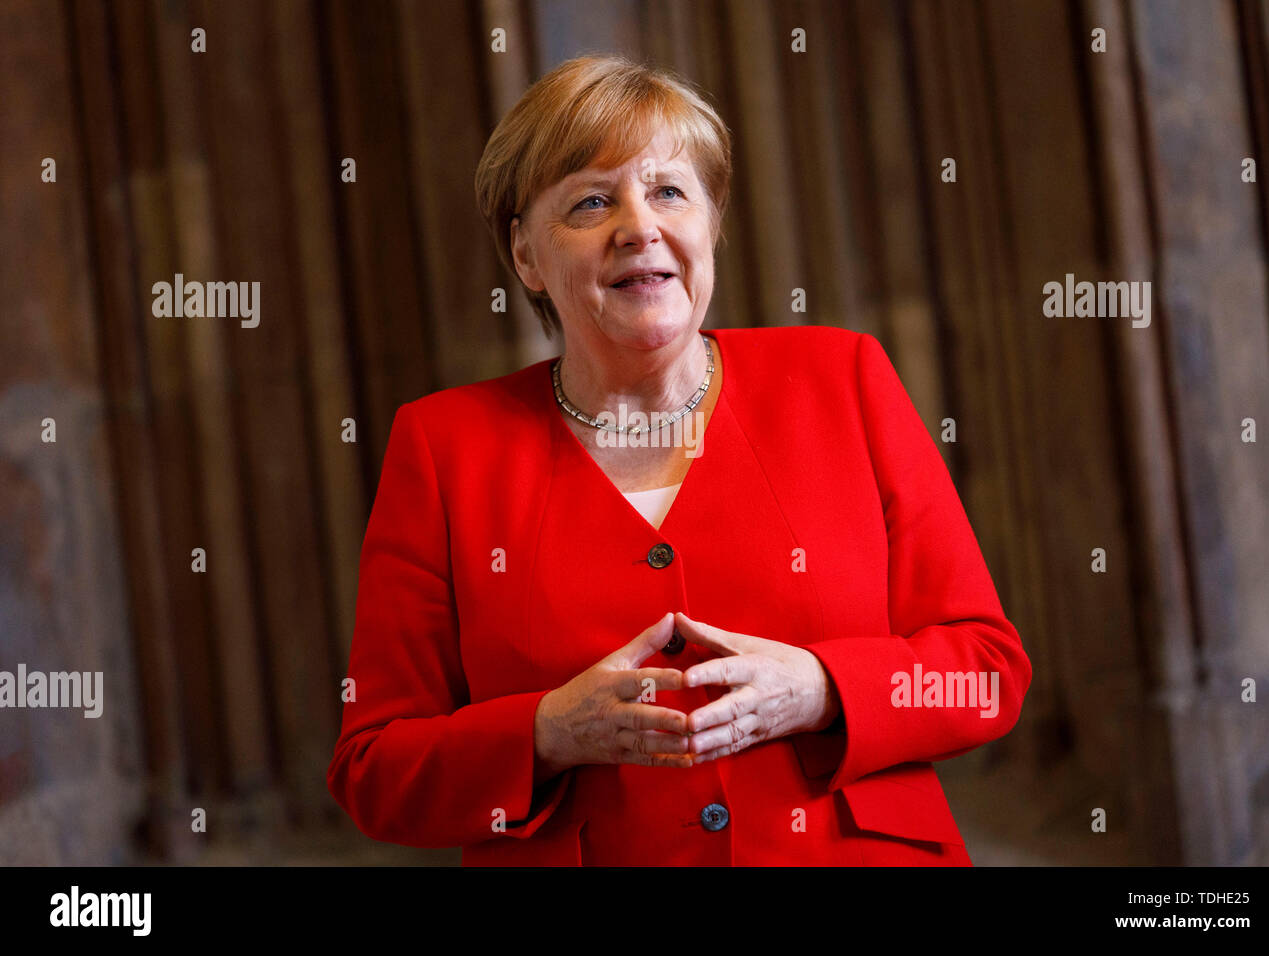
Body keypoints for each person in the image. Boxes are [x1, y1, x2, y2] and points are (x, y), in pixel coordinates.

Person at [326, 53, 1031, 865]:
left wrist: (823, 688)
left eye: (668, 191)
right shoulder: (443, 446)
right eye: (591, 201)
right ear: (526, 257)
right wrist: (548, 733)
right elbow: (373, 768)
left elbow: (986, 673)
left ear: (710, 222)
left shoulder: (843, 379)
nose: (639, 225)